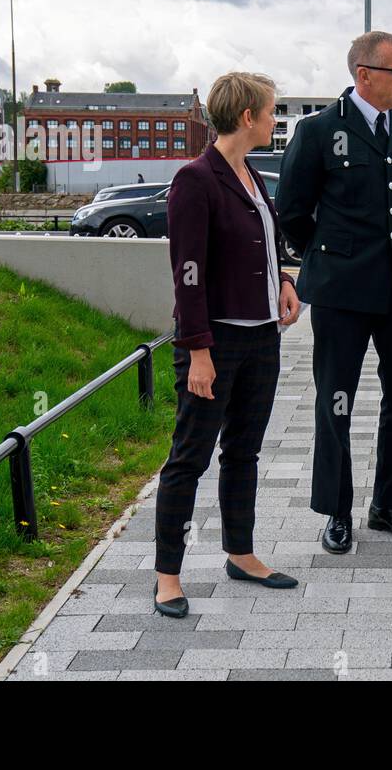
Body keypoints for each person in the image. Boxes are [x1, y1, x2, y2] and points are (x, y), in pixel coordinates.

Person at [275, 31, 392, 555]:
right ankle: (337, 511)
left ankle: (390, 506)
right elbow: (292, 211)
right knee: (336, 401)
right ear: (363, 75)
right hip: (343, 289)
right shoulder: (320, 130)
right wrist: (328, 254)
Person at [154, 71, 303, 619]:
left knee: (243, 451)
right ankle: (168, 576)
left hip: (262, 338)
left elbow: (265, 245)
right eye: (271, 110)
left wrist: (285, 281)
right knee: (188, 459)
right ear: (247, 117)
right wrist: (196, 350)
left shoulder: (250, 174)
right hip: (214, 344)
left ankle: (241, 553)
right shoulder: (196, 179)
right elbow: (186, 272)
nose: (274, 118)